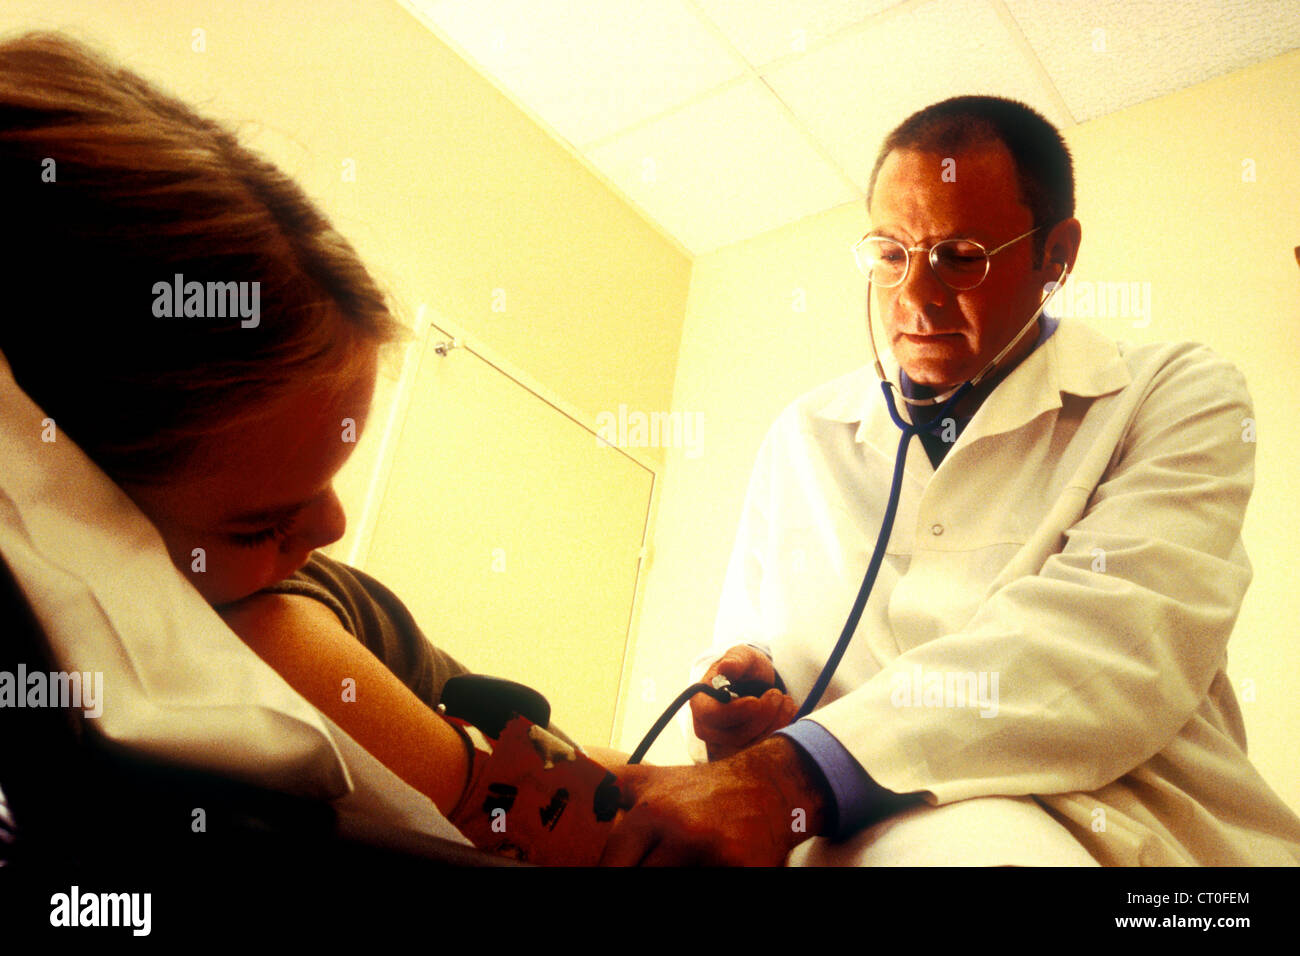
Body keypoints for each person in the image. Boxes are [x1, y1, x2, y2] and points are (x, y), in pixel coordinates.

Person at [603, 96, 1300, 866]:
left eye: (960, 256)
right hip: (841, 837)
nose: (915, 297)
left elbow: (1111, 646)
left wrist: (792, 774)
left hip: (1119, 841)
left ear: (1056, 256)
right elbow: (749, 649)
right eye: (889, 255)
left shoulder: (1174, 393)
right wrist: (741, 704)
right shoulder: (802, 437)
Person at [0, 32, 618, 856]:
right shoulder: (268, 636)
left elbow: (582, 791)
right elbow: (549, 833)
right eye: (258, 525)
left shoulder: (298, 591)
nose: (331, 525)